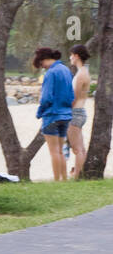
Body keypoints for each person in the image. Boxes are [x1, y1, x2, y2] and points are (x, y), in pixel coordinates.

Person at [32, 46, 74, 181]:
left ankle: (56, 180)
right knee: (60, 150)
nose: (42, 67)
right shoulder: (66, 70)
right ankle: (64, 179)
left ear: (43, 60)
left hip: (52, 115)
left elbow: (46, 98)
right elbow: (71, 94)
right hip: (66, 115)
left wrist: (39, 112)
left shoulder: (51, 73)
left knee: (54, 151)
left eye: (41, 64)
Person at [67, 44, 91, 178]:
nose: (70, 57)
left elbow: (74, 97)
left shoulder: (81, 74)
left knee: (77, 149)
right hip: (80, 112)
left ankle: (77, 175)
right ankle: (82, 173)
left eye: (71, 55)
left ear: (76, 56)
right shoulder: (83, 72)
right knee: (80, 147)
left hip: (75, 113)